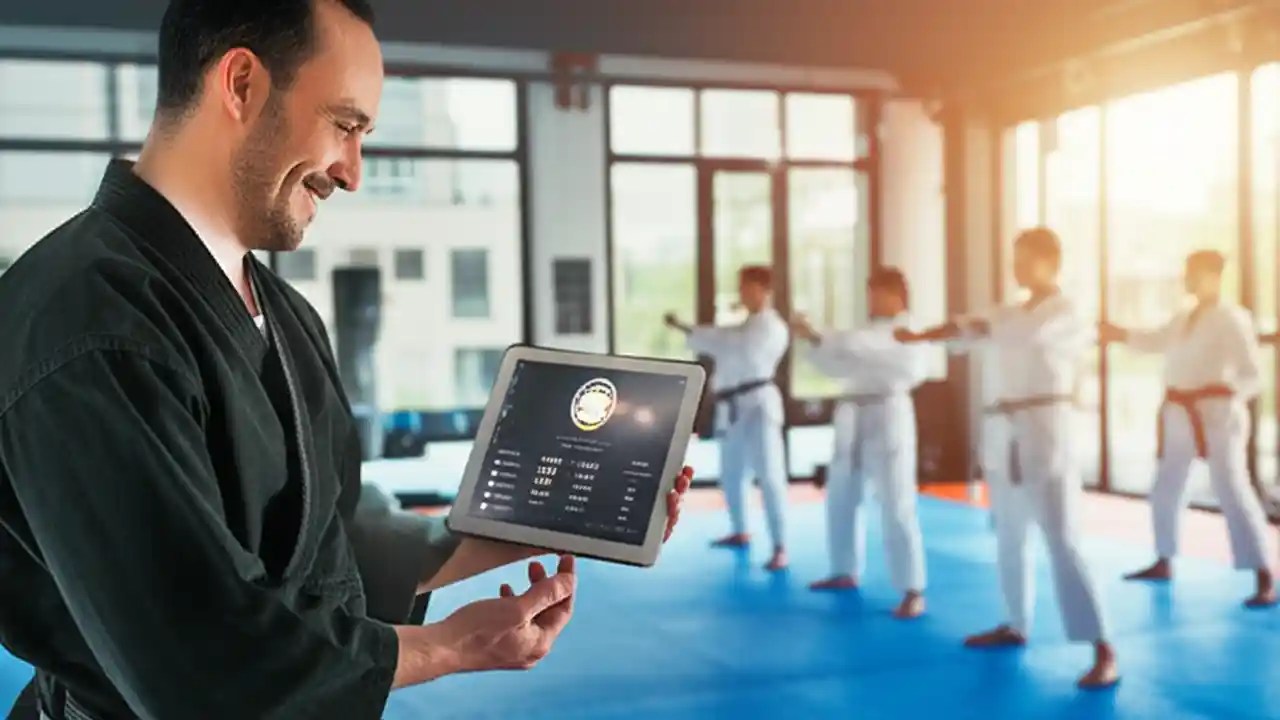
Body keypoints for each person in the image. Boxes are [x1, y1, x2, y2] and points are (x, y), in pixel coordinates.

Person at [0, 2, 695, 718]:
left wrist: (564, 513)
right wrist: (450, 647)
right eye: (345, 125)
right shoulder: (85, 318)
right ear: (241, 83)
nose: (353, 171)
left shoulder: (283, 311)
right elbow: (196, 660)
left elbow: (332, 540)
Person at [896, 227, 1119, 689]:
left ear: (1051, 261)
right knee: (1009, 532)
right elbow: (965, 327)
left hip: (1045, 425)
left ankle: (1103, 646)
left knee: (1061, 537)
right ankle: (1015, 622)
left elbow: (1019, 334)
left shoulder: (1066, 310)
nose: (1016, 267)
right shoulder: (1010, 311)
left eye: (1025, 258)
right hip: (1006, 429)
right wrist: (921, 335)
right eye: (1014, 257)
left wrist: (978, 326)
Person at [1100, 250, 1275, 608]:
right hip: (1180, 411)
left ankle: (1265, 573)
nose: (1188, 279)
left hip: (1217, 414)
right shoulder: (1183, 318)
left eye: (1194, 272)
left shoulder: (1232, 318)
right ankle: (1164, 559)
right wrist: (1120, 334)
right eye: (1187, 272)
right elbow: (1154, 341)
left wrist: (1224, 399)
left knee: (1232, 488)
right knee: (1166, 485)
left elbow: (1252, 375)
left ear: (1214, 275)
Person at [792, 267, 928, 619]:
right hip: (852, 410)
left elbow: (857, 346)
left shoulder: (908, 332)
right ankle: (844, 569)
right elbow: (834, 366)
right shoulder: (865, 332)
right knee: (841, 495)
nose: (871, 299)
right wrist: (813, 340)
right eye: (869, 293)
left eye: (877, 293)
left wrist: (818, 333)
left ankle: (913, 589)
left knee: (896, 501)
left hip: (888, 411)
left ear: (896, 296)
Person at [664, 265, 790, 571]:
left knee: (770, 475)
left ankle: (780, 545)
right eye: (741, 288)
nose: (743, 294)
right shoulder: (744, 327)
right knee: (731, 473)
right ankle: (740, 529)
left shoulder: (771, 327)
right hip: (733, 405)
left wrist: (689, 329)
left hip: (758, 403)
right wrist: (685, 328)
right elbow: (722, 340)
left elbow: (729, 343)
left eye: (748, 288)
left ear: (765, 290)